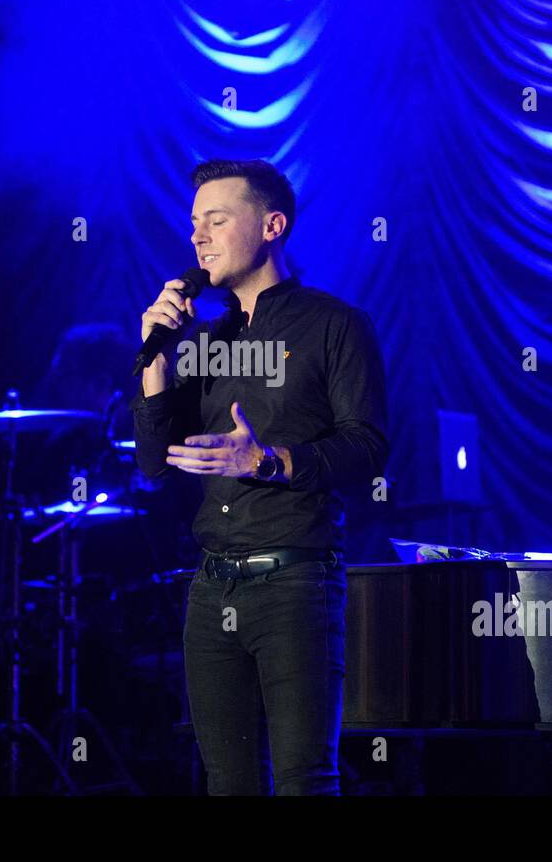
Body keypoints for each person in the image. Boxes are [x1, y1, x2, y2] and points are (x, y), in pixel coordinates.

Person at [130, 158, 388, 794]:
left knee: (304, 778)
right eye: (194, 224)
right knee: (229, 782)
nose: (199, 237)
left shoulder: (336, 326)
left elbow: (369, 448)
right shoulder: (204, 342)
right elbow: (151, 465)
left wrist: (267, 460)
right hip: (211, 587)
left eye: (216, 220)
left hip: (295, 580)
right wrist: (156, 362)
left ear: (272, 226)